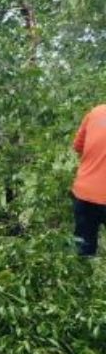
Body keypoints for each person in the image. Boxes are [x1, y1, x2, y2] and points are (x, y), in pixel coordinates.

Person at [72, 104, 106, 256]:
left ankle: (79, 278)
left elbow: (78, 146)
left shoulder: (95, 112)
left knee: (83, 252)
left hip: (83, 193)